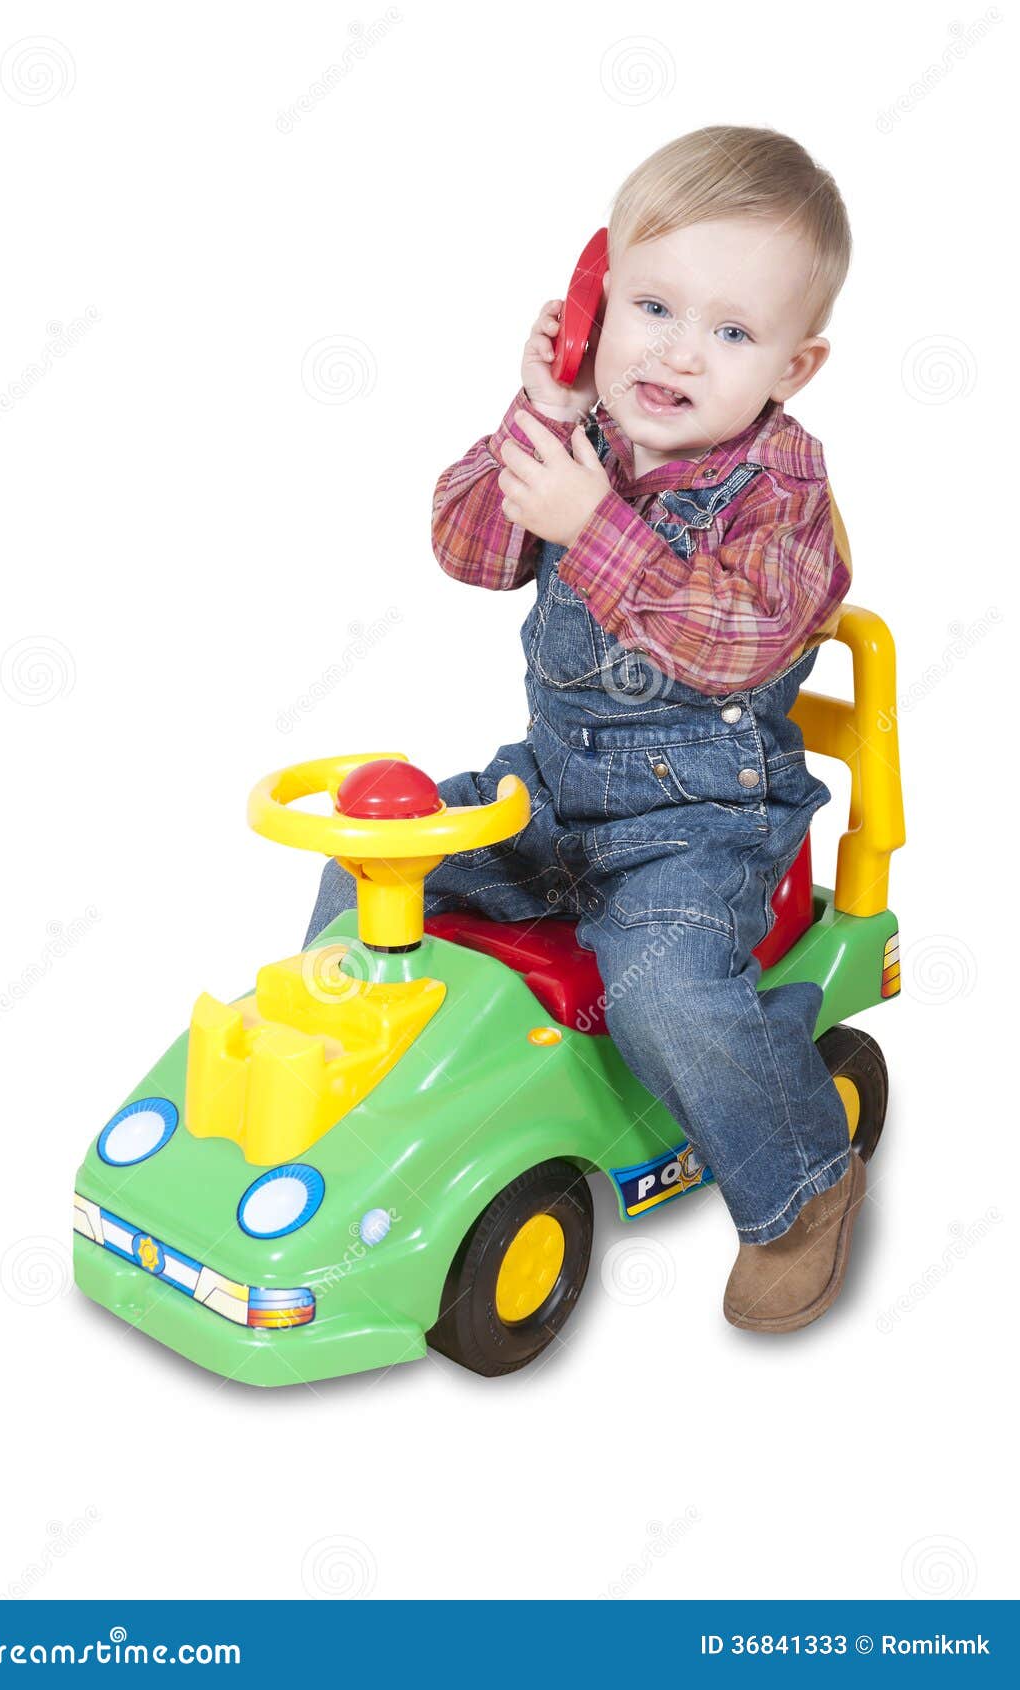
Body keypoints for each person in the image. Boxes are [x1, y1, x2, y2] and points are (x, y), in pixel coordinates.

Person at [305, 125, 866, 1333]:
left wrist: (596, 521)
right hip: (555, 792)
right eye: (651, 306)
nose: (674, 349)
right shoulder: (581, 432)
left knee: (663, 979)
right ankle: (353, 1118)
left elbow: (737, 641)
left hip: (703, 822)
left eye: (730, 331)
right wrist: (542, 405)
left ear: (792, 366)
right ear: (593, 306)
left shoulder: (783, 491)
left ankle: (804, 1184)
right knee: (369, 869)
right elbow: (468, 552)